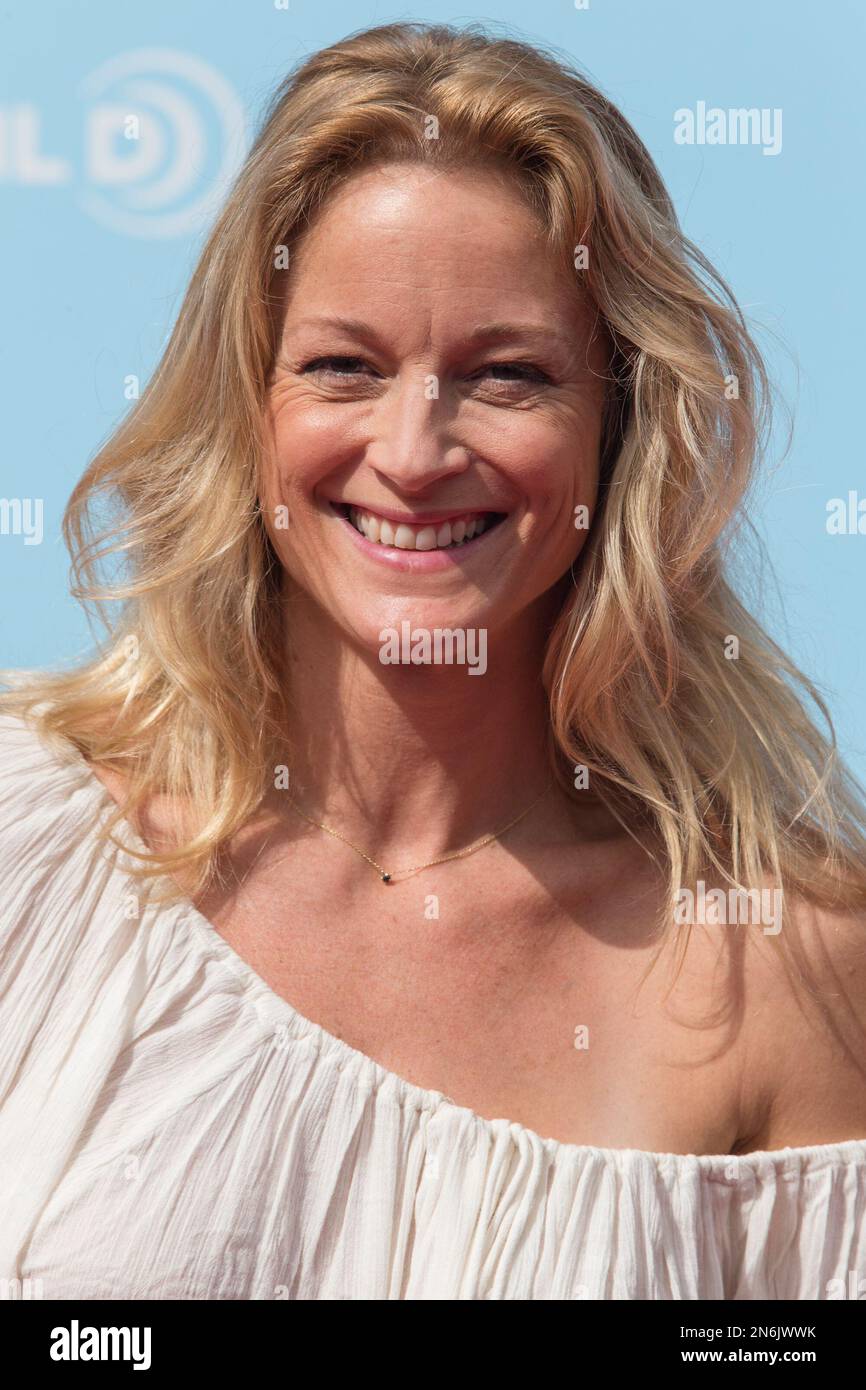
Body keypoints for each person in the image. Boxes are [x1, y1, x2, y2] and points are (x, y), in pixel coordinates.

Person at [1, 20, 865, 1301]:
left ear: (617, 435)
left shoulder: (790, 974)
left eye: (506, 376)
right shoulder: (30, 850)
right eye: (343, 366)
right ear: (249, 406)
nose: (412, 452)